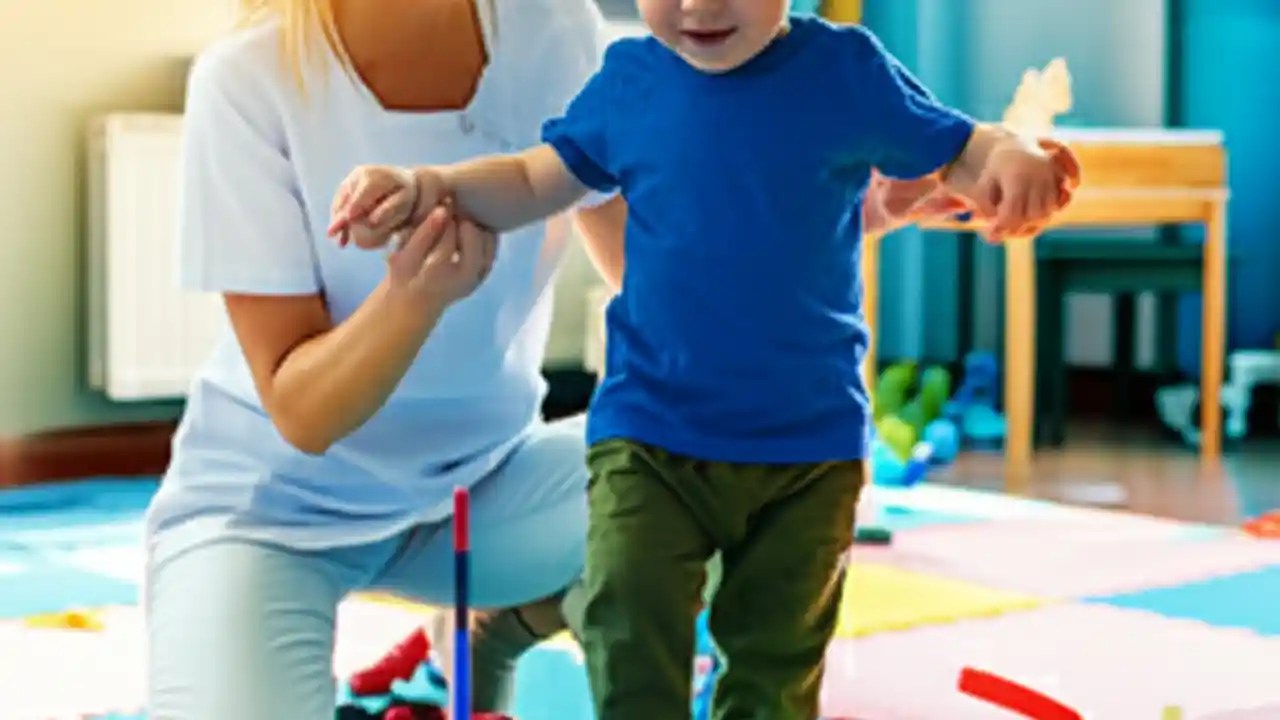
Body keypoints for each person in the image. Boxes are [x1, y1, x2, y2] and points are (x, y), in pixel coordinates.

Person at [327, 2, 1080, 720]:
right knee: (627, 617)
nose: (699, 4)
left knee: (774, 665)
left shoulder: (846, 70)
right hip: (651, 435)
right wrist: (431, 186)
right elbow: (531, 180)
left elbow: (962, 146)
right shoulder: (630, 80)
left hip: (806, 453)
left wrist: (1011, 159)